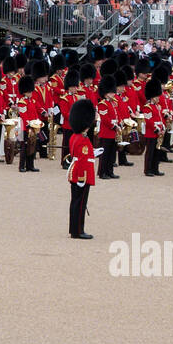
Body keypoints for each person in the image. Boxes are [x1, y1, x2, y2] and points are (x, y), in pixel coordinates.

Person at [66, 99, 97, 240]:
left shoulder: (75, 136)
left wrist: (94, 153)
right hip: (82, 175)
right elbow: (83, 161)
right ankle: (78, 231)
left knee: (75, 202)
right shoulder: (83, 139)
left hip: (76, 172)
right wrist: (81, 178)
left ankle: (74, 229)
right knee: (80, 203)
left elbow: (82, 155)